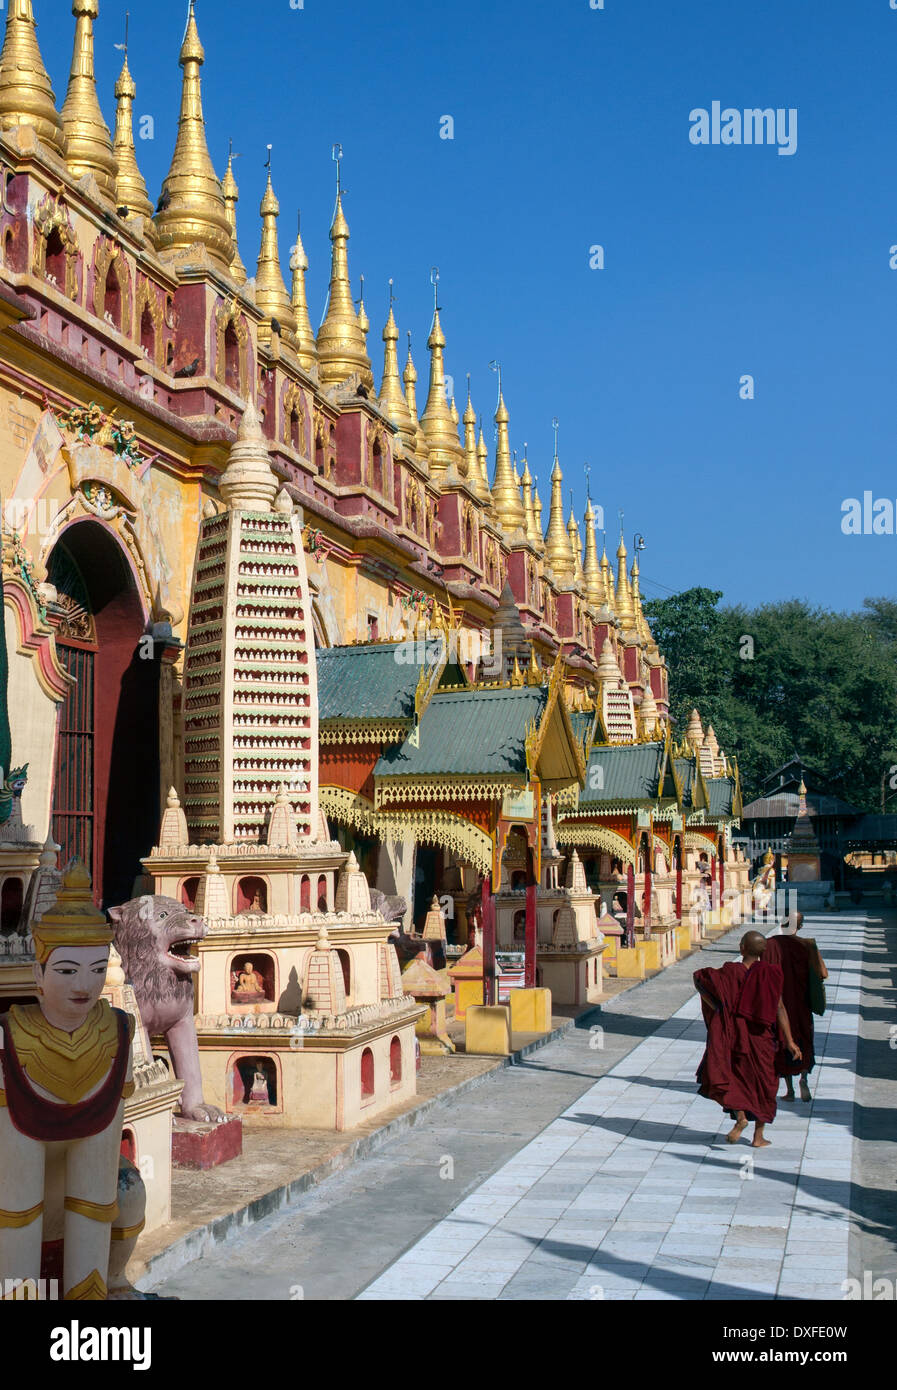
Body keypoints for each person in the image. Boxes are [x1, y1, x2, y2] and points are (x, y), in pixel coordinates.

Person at [694, 930, 801, 1147]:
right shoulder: (771, 973)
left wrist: (719, 1009)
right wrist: (790, 1040)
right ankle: (758, 1137)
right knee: (765, 1085)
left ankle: (741, 1116)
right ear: (763, 951)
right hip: (762, 1039)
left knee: (735, 1078)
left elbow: (699, 980)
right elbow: (780, 1008)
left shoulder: (729, 971)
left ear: (741, 948)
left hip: (735, 1036)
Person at [763, 911, 828, 1103]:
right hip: (802, 1004)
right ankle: (804, 1079)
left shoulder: (770, 945)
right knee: (803, 1038)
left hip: (780, 1004)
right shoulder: (807, 945)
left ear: (783, 924)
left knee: (783, 1040)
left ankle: (789, 1090)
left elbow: (764, 975)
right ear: (800, 926)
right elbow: (823, 973)